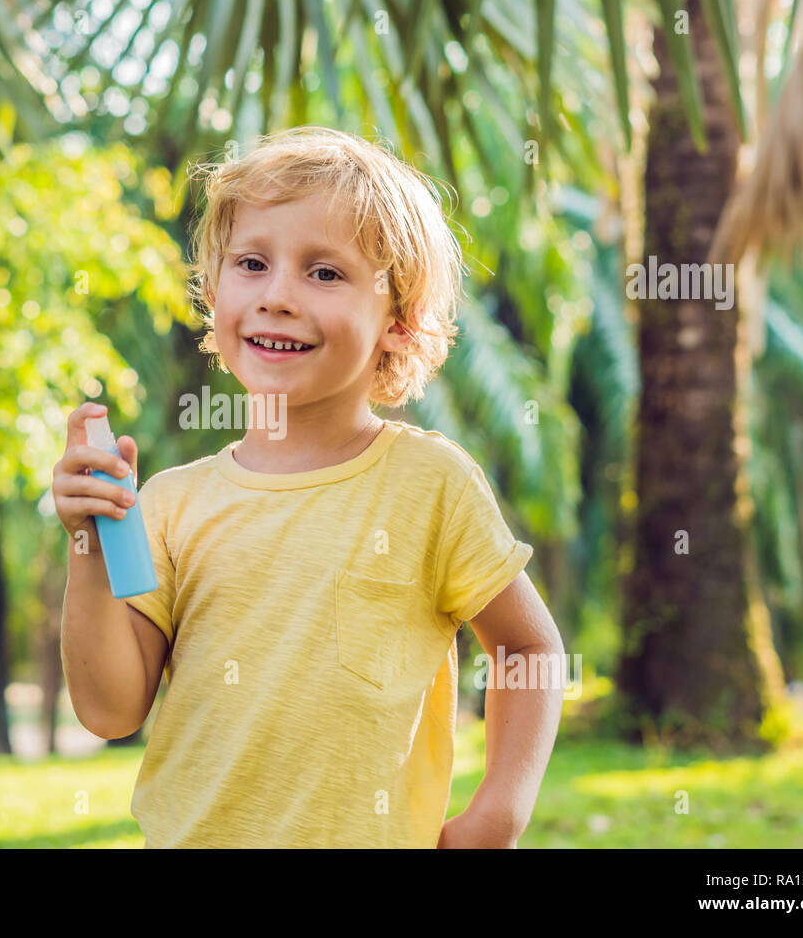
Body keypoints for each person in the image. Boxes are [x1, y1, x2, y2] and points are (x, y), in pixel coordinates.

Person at [53, 126, 564, 848]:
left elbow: (528, 651)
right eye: (253, 264)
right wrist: (89, 544)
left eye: (325, 274)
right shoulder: (168, 503)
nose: (278, 297)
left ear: (401, 321)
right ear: (213, 291)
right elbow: (110, 711)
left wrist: (498, 815)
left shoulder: (430, 484)